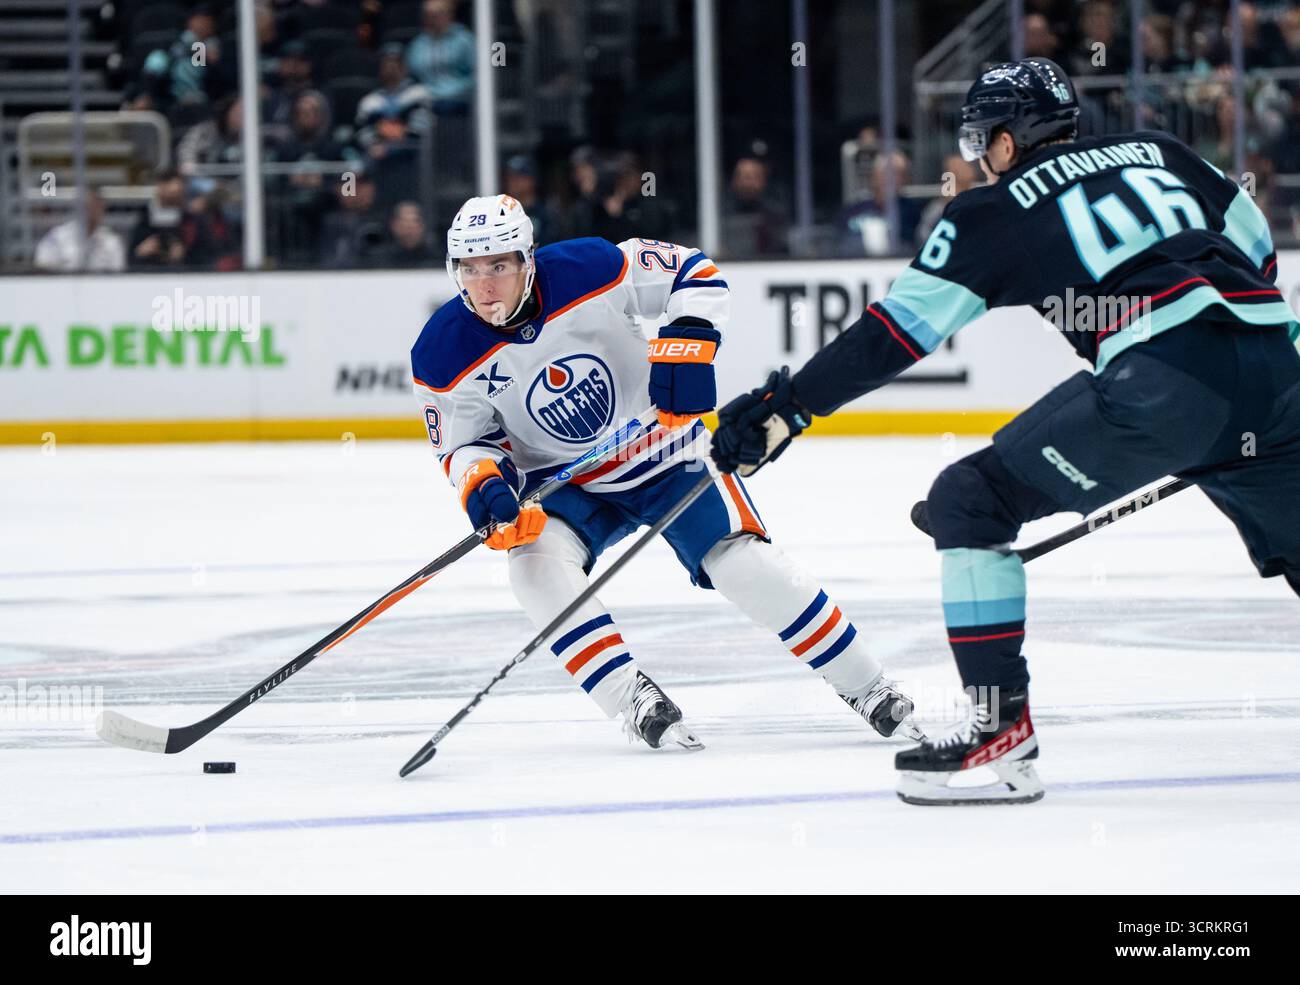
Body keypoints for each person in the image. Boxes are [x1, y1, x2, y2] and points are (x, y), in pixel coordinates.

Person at [711, 58, 1300, 805]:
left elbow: (895, 333)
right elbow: (1256, 246)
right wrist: (1233, 383)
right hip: (1279, 370)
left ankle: (1000, 731)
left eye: (979, 141)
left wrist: (788, 407)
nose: (977, 158)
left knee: (969, 501)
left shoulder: (993, 210)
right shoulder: (1162, 149)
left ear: (1007, 141)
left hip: (1167, 382)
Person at [410, 194, 923, 750]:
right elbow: (464, 443)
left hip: (666, 454)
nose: (485, 286)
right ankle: (631, 697)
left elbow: (693, 272)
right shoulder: (440, 352)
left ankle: (867, 685)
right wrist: (486, 485)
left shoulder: (591, 267)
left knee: (742, 564)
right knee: (533, 569)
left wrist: (689, 345)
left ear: (527, 260)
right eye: (469, 269)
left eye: (498, 266)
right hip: (567, 483)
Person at [34, 189, 126, 272]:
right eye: (89, 207)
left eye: (97, 207)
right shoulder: (57, 237)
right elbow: (43, 266)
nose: (93, 212)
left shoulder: (112, 241)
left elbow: (118, 274)